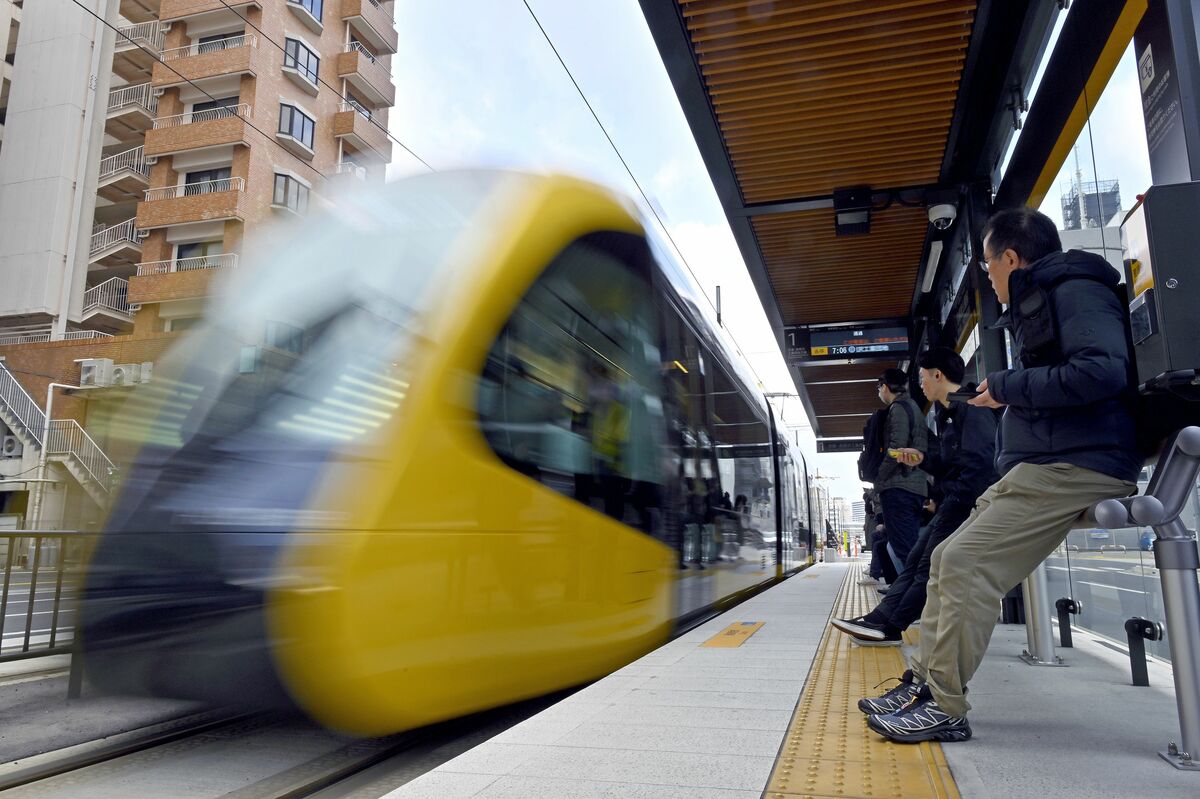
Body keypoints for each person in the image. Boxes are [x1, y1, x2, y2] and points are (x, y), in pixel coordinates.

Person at [860, 206, 1141, 743]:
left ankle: (943, 704)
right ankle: (925, 685)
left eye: (988, 266)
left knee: (964, 563)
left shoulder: (1075, 288)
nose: (988, 278)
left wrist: (1009, 387)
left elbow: (1102, 372)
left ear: (1010, 257)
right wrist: (1008, 391)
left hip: (1079, 463)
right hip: (1049, 462)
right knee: (945, 557)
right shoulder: (1047, 298)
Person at [833, 347, 998, 645]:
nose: (921, 383)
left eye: (923, 377)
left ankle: (891, 626)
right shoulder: (950, 413)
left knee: (927, 566)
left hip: (964, 504)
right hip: (953, 501)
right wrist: (922, 459)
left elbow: (981, 464)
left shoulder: (972, 407)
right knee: (916, 562)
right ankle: (880, 619)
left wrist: (955, 500)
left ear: (938, 375)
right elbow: (952, 465)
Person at [873, 368, 928, 578]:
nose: (879, 392)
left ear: (885, 387)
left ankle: (917, 602)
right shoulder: (913, 406)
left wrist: (879, 479)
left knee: (904, 550)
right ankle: (910, 596)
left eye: (879, 388)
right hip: (913, 487)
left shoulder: (898, 408)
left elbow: (896, 449)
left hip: (899, 487)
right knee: (909, 548)